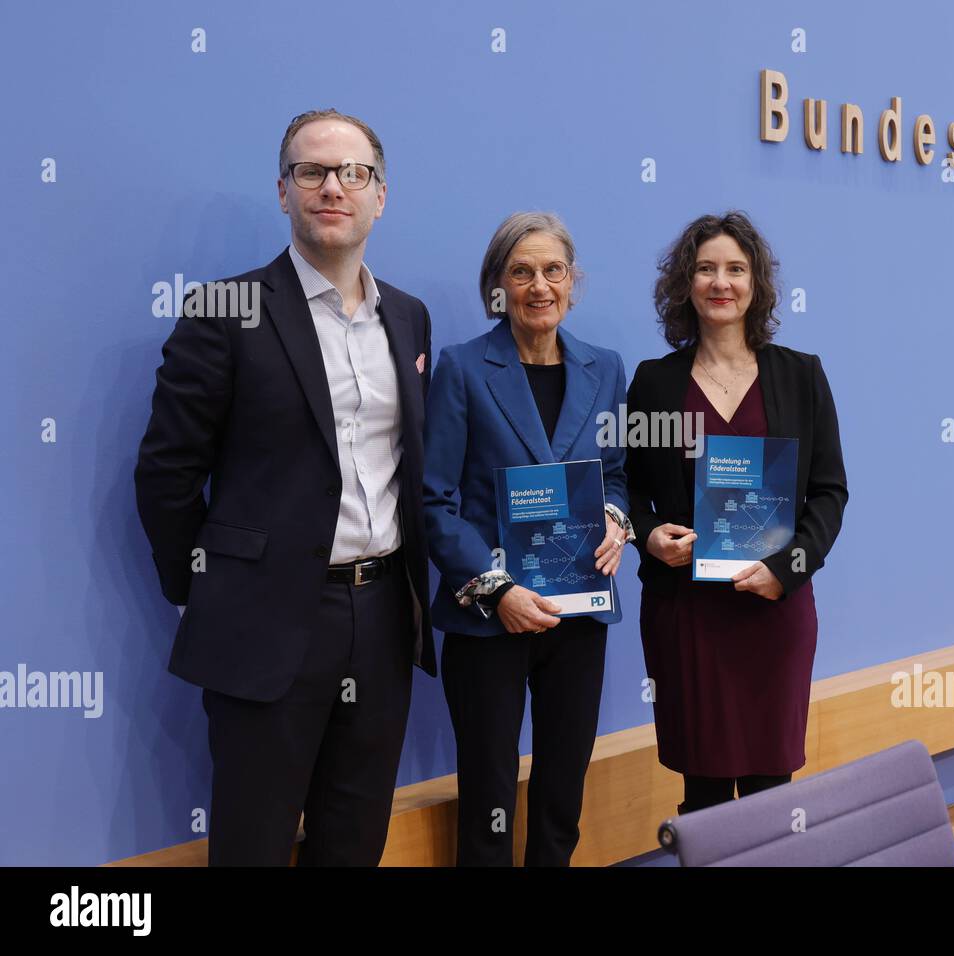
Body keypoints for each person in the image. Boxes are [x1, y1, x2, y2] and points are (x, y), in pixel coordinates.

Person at [134, 109, 435, 865]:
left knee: (354, 840)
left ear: (380, 195)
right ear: (283, 191)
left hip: (383, 617)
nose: (333, 187)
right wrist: (206, 589)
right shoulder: (223, 310)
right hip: (264, 626)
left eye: (353, 173)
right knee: (254, 846)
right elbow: (167, 473)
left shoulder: (408, 316)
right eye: (312, 172)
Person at [423, 211, 633, 866]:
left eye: (552, 270)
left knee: (560, 795)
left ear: (572, 282)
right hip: (490, 622)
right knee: (489, 799)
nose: (538, 285)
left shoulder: (607, 368)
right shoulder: (461, 369)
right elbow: (434, 501)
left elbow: (619, 477)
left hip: (579, 616)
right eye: (521, 272)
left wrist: (620, 523)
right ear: (498, 286)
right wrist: (497, 590)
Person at [626, 210, 848, 814]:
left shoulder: (800, 376)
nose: (720, 282)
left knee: (770, 787)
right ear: (686, 284)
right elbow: (627, 491)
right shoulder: (654, 384)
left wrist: (788, 567)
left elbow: (829, 492)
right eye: (705, 269)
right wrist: (648, 537)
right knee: (702, 790)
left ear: (756, 283)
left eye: (735, 269)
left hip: (773, 609)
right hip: (688, 613)